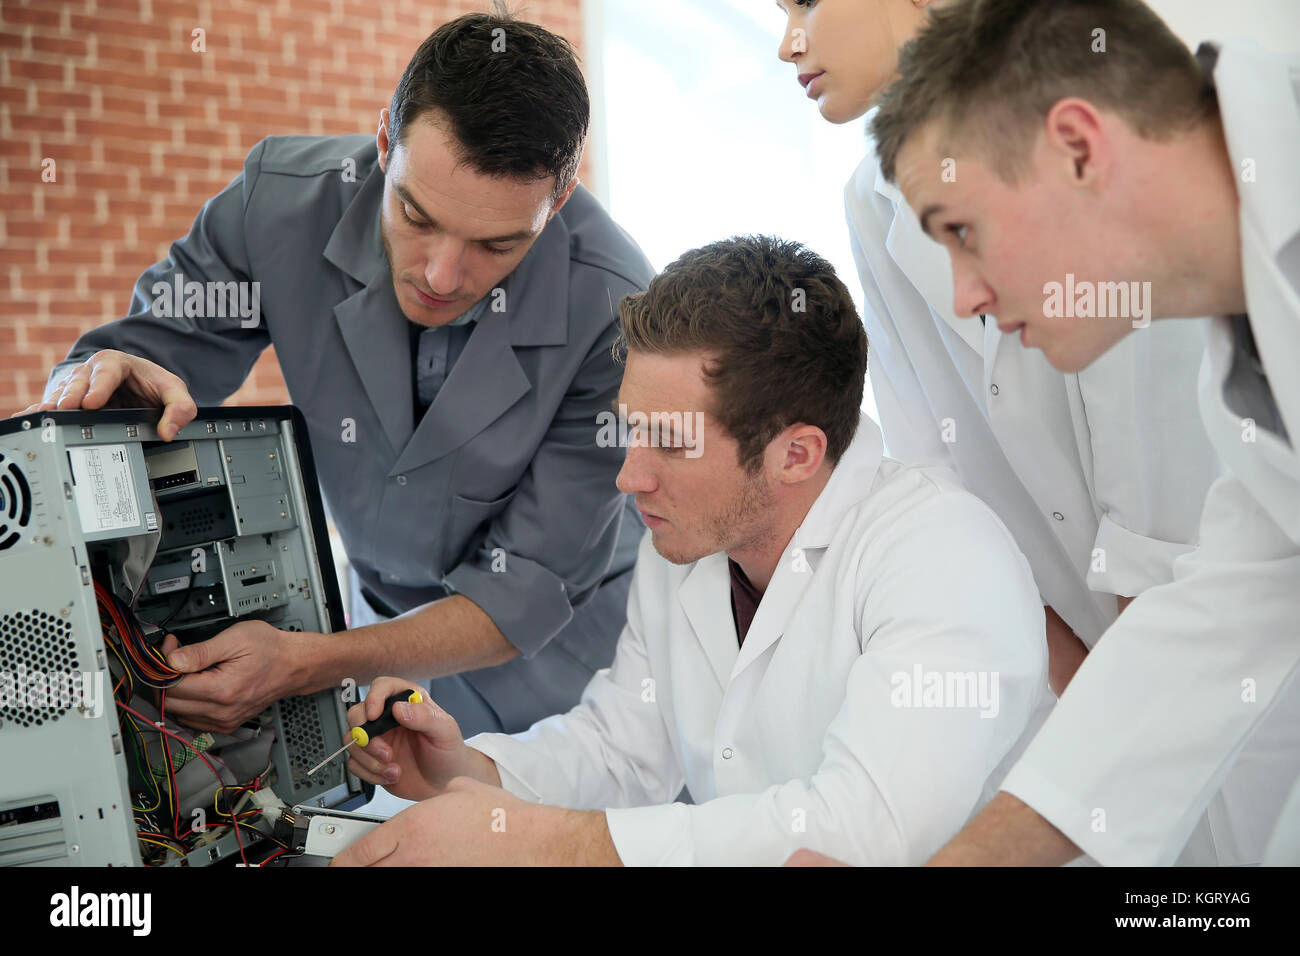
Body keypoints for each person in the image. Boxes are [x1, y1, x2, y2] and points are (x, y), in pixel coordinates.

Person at [17, 11, 655, 738]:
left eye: (497, 244)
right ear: (385, 141)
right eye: (416, 214)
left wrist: (309, 662)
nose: (443, 275)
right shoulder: (277, 208)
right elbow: (143, 354)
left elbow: (528, 588)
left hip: (564, 660)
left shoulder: (616, 306)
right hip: (377, 619)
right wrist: (97, 384)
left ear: (558, 202)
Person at [330, 235, 1053, 866]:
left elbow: (864, 831)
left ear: (796, 454)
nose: (628, 475)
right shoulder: (684, 546)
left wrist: (539, 846)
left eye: (670, 442)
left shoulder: (942, 557)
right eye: (631, 430)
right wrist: (472, 772)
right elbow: (622, 748)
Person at [771, 0, 1293, 867]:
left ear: (1079, 146)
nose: (966, 297)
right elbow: (1212, 623)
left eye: (965, 234)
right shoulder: (1246, 384)